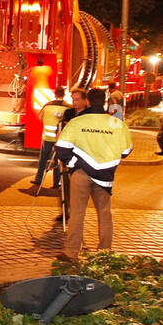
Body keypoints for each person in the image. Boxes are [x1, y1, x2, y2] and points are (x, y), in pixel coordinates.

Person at [54, 87, 134, 258]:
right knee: (105, 214)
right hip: (105, 176)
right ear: (105, 101)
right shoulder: (117, 124)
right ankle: (105, 252)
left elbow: (61, 148)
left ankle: (71, 252)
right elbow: (126, 151)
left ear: (88, 101)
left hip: (81, 173)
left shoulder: (77, 122)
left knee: (77, 213)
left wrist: (74, 163)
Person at [30, 86, 69, 192]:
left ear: (55, 94)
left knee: (43, 159)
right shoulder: (67, 107)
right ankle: (56, 183)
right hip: (60, 139)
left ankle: (38, 179)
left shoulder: (48, 106)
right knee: (57, 161)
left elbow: (40, 116)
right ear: (64, 95)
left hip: (47, 137)